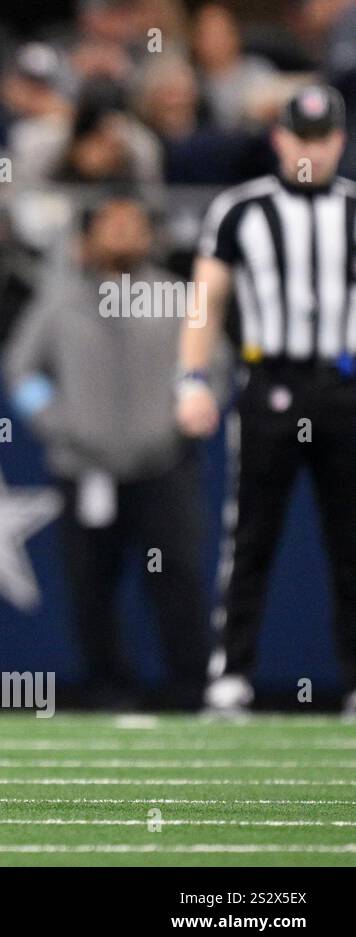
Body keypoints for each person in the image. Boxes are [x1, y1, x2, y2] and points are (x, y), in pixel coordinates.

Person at [177, 85, 356, 714]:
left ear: (339, 139)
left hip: (345, 388)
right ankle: (231, 674)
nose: (311, 149)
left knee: (350, 543)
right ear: (280, 138)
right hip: (269, 385)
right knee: (249, 535)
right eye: (300, 137)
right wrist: (193, 379)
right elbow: (206, 302)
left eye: (323, 137)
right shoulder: (241, 209)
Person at [3, 196, 210, 709]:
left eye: (132, 224)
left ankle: (193, 689)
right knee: (91, 585)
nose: (122, 234)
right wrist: (58, 424)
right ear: (87, 239)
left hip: (162, 465)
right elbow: (21, 370)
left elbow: (210, 368)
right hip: (85, 467)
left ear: (150, 235)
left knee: (178, 578)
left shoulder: (178, 296)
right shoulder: (59, 300)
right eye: (110, 225)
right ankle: (108, 687)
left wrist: (188, 411)